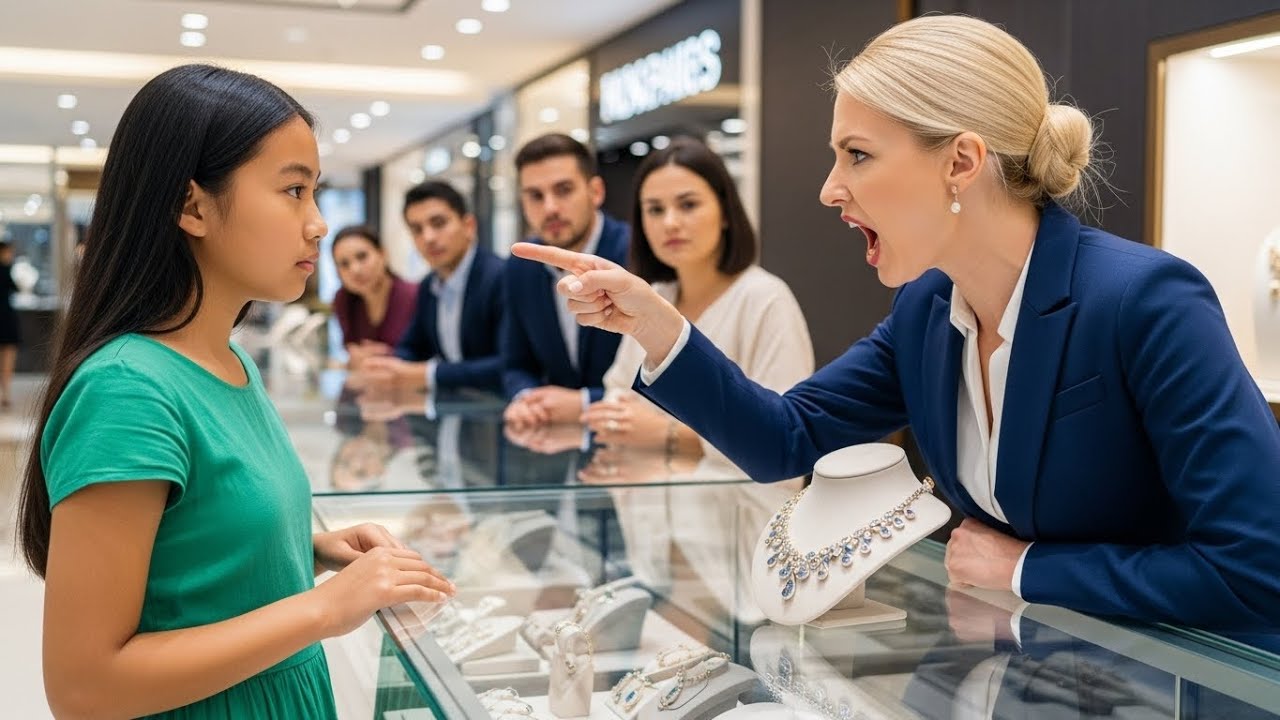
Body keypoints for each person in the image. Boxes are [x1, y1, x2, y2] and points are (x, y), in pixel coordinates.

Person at [513, 15, 1280, 634]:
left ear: (961, 162)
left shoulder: (1146, 302)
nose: (829, 189)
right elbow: (785, 436)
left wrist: (1021, 569)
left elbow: (1254, 571)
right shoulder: (925, 311)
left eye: (857, 155)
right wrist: (657, 327)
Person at [16, 64, 454, 719]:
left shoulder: (227, 363)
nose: (317, 225)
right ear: (192, 205)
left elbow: (187, 546)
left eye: (316, 193)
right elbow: (84, 688)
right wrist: (323, 608)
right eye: (293, 191)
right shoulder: (127, 390)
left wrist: (306, 549)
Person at [585, 137, 814, 468]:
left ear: (724, 212)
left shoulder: (766, 300)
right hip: (645, 506)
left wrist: (667, 435)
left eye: (688, 205)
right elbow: (617, 399)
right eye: (655, 209)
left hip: (741, 514)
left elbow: (785, 437)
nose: (670, 223)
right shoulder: (655, 296)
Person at [503, 133, 629, 428]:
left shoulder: (636, 256)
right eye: (535, 196)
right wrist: (525, 398)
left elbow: (662, 368)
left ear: (595, 192)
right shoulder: (521, 267)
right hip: (553, 439)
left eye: (564, 190)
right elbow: (515, 363)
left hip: (637, 439)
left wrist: (586, 403)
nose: (550, 208)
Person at [363, 181, 506, 393]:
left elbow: (508, 363)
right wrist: (387, 365)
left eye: (438, 223)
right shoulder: (428, 285)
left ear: (469, 226)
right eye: (417, 229)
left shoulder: (500, 277)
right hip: (457, 409)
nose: (428, 238)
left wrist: (428, 374)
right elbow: (412, 347)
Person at [329, 225, 418, 369]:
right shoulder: (342, 300)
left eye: (362, 256)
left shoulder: (415, 296)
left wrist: (390, 355)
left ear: (383, 254)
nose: (355, 270)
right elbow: (351, 352)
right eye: (344, 264)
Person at [0, 241, 21, 409]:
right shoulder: (6, 270)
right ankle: (5, 393)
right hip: (6, 317)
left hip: (5, 317)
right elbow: (16, 288)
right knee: (8, 356)